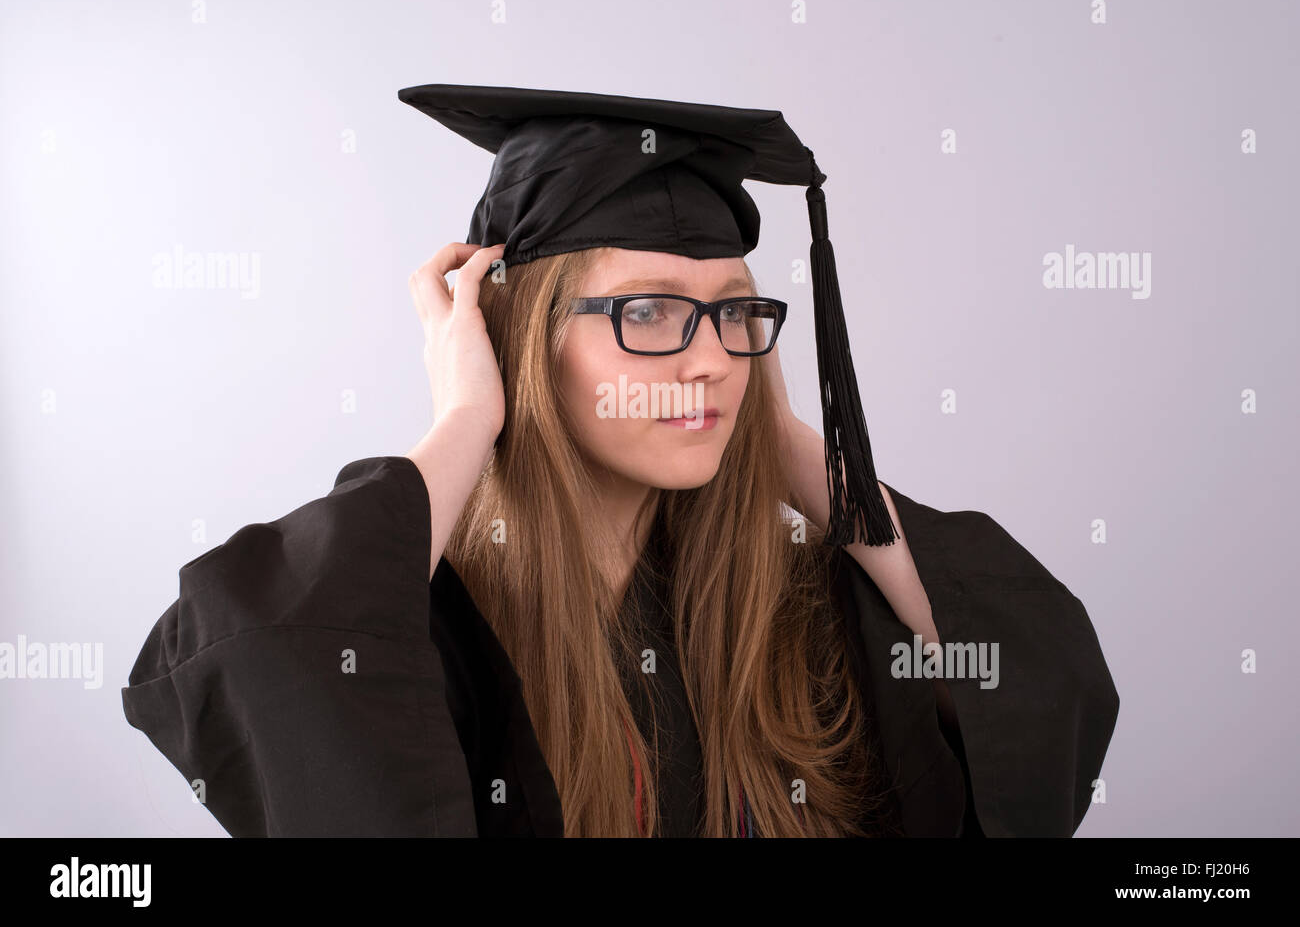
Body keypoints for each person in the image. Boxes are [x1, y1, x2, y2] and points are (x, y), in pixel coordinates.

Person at [121, 86, 1120, 838]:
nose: (707, 355)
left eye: (735, 311)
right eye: (645, 311)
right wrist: (470, 412)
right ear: (525, 335)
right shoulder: (422, 631)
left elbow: (1042, 667)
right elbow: (259, 643)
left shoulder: (789, 609)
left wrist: (770, 432)